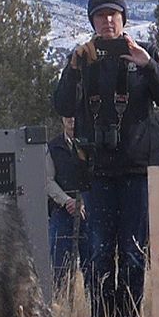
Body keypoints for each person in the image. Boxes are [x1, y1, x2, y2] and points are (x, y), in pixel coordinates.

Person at [52, 0, 159, 317]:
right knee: (97, 252)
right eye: (100, 15)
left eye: (114, 14)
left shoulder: (145, 53)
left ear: (124, 19)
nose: (108, 21)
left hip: (137, 171)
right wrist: (74, 70)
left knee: (134, 252)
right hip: (96, 172)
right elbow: (62, 106)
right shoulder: (81, 59)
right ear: (92, 21)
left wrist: (148, 65)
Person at [46, 117, 91, 302]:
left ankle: (93, 307)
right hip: (62, 212)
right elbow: (47, 180)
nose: (72, 120)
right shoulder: (52, 147)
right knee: (59, 266)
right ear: (62, 119)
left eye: (75, 115)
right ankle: (60, 309)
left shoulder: (90, 144)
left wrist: (85, 202)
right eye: (67, 116)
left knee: (93, 265)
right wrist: (67, 202)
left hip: (89, 212)